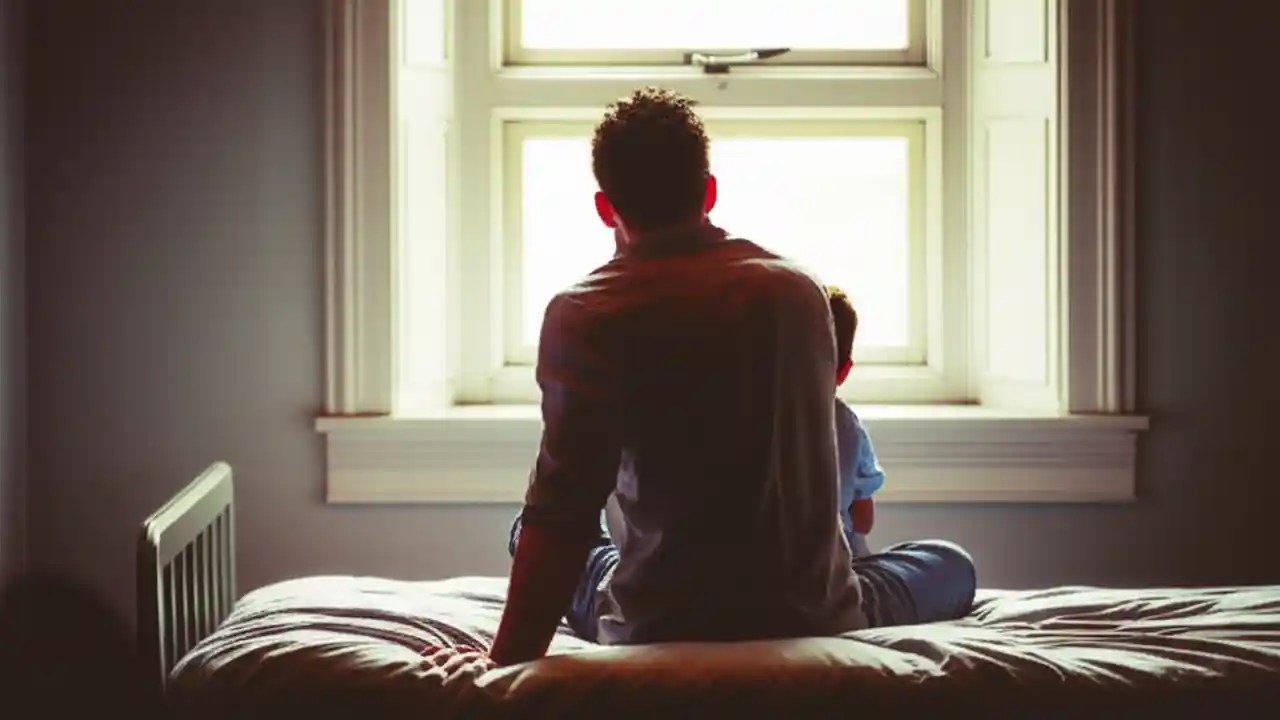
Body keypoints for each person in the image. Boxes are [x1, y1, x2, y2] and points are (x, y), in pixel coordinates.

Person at [489, 87, 976, 668]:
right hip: (815, 613)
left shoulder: (586, 313)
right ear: (709, 191)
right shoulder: (798, 291)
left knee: (529, 527)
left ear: (605, 206)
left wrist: (502, 665)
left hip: (655, 622)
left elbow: (561, 517)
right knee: (949, 563)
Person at [826, 284, 885, 559]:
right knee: (947, 558)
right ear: (844, 370)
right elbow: (863, 520)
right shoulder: (847, 425)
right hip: (845, 571)